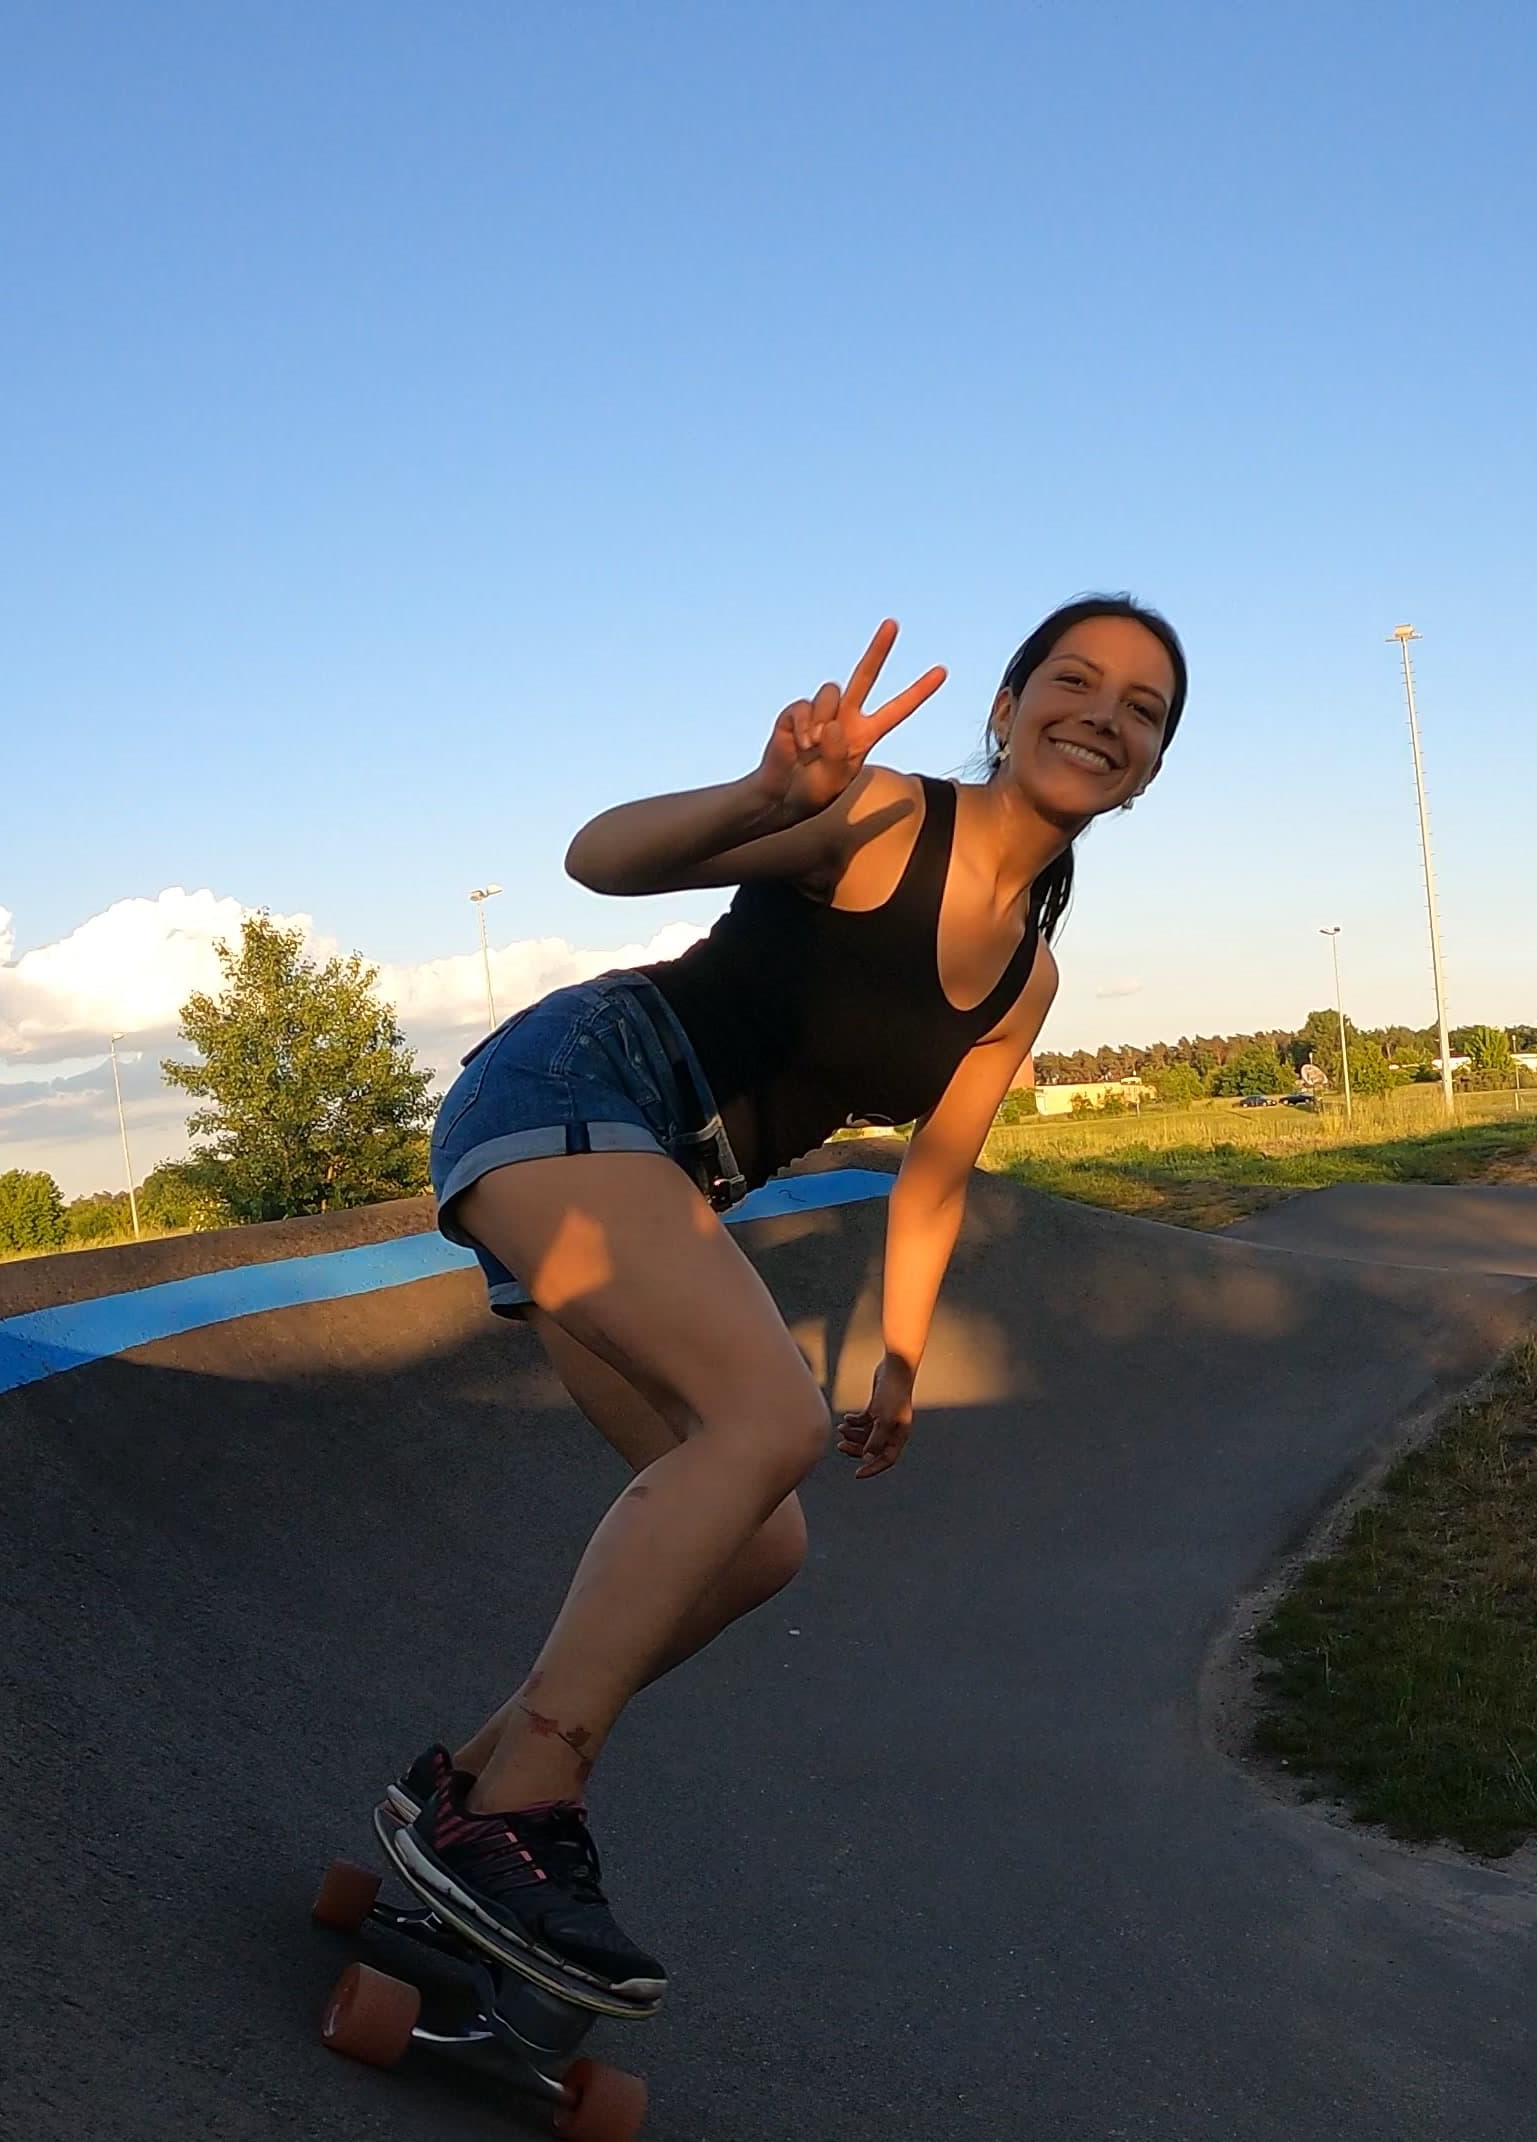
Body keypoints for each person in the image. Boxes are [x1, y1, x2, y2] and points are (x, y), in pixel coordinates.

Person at [384, 596, 1188, 2004]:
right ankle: (526, 1816)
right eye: (1074, 681)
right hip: (573, 1089)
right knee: (763, 1424)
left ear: (1153, 767)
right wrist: (768, 794)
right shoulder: (876, 815)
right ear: (1003, 713)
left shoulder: (1024, 972)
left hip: (650, 1177)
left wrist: (899, 1355)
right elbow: (594, 860)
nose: (1103, 716)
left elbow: (936, 1177)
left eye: (1143, 709)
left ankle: (465, 1786)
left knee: (762, 1543)